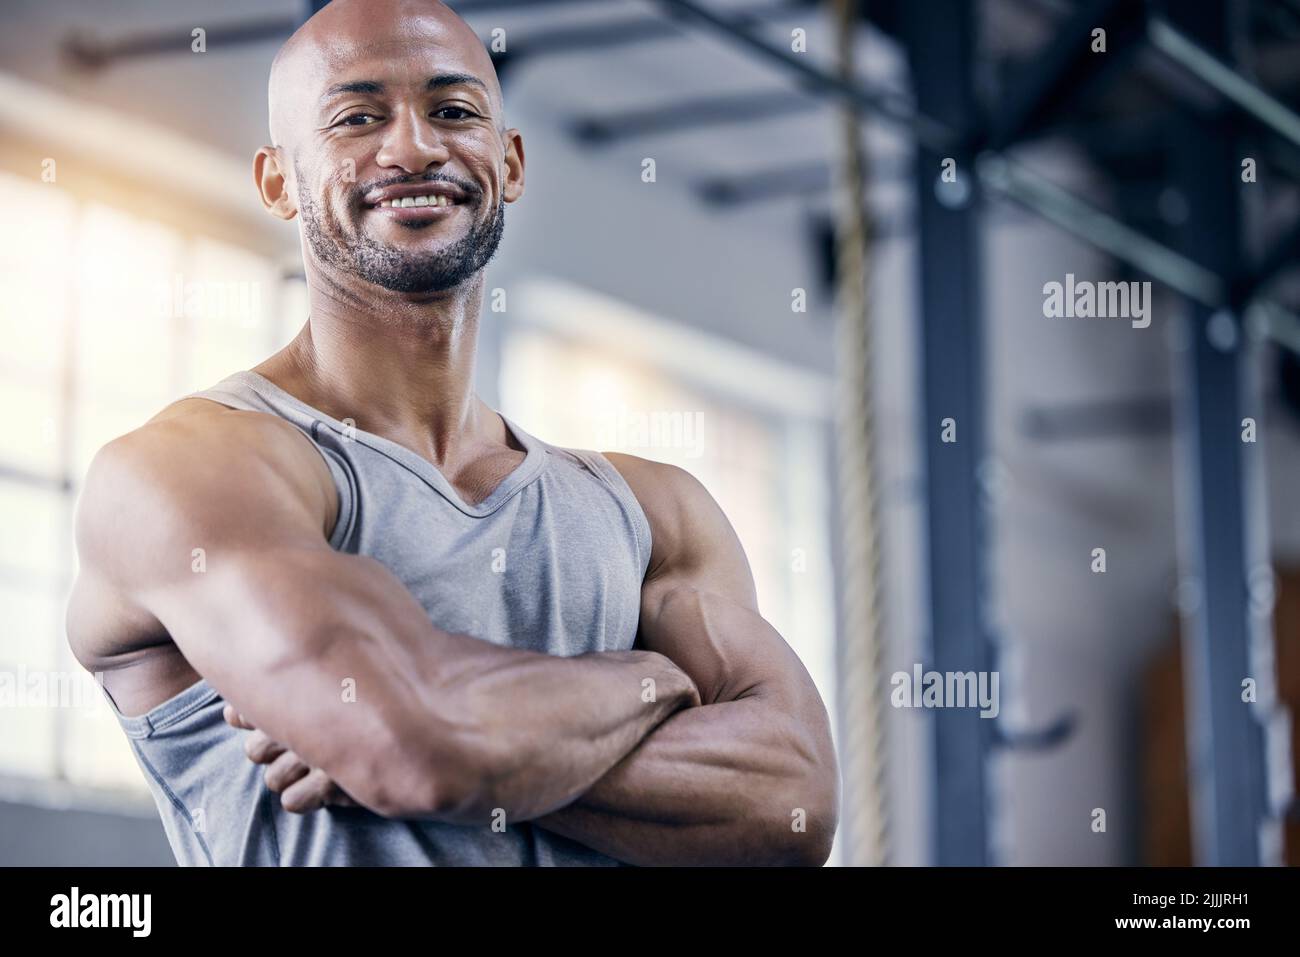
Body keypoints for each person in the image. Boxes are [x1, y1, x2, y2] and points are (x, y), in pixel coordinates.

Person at [66, 0, 837, 866]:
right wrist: (655, 680)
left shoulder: (657, 512)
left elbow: (792, 804)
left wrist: (462, 725)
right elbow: (414, 747)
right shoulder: (191, 469)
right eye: (357, 118)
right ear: (278, 182)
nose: (414, 148)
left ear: (509, 163)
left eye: (454, 111)